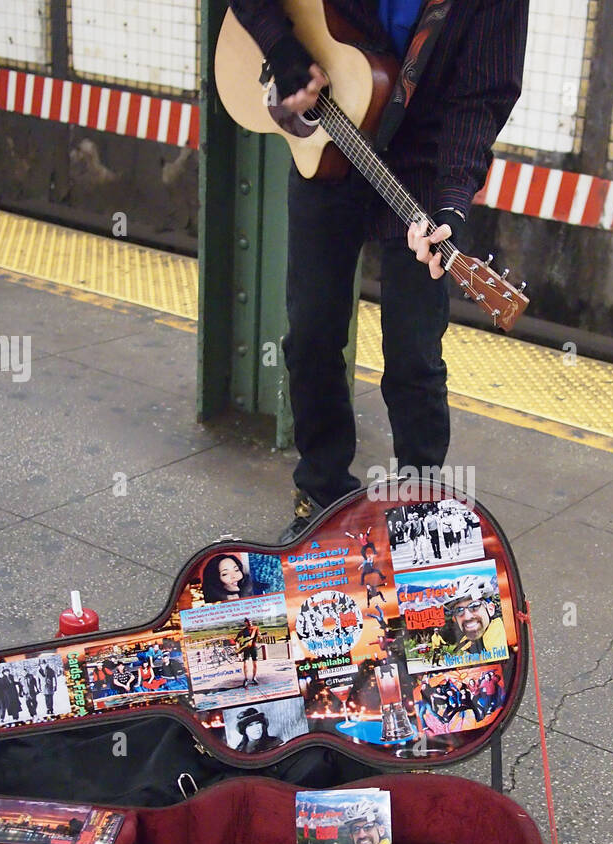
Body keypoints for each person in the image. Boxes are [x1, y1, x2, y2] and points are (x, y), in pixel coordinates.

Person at [226, 1, 529, 540]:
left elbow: (481, 98)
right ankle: (320, 493)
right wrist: (282, 48)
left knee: (414, 355)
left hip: (421, 161)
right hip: (328, 136)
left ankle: (420, 514)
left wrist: (452, 205)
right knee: (313, 337)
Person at [445, 573, 505, 657]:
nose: (467, 617)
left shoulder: (501, 640)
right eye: (459, 610)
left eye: (474, 606)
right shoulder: (465, 643)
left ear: (490, 609)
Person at [234, 618, 262, 688]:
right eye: (248, 622)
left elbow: (259, 637)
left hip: (253, 647)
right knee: (245, 663)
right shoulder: (242, 631)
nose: (250, 623)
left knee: (255, 663)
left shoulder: (255, 628)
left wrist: (260, 636)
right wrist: (238, 650)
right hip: (246, 648)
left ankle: (254, 678)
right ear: (245, 623)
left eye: (250, 621)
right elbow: (237, 641)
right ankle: (246, 679)